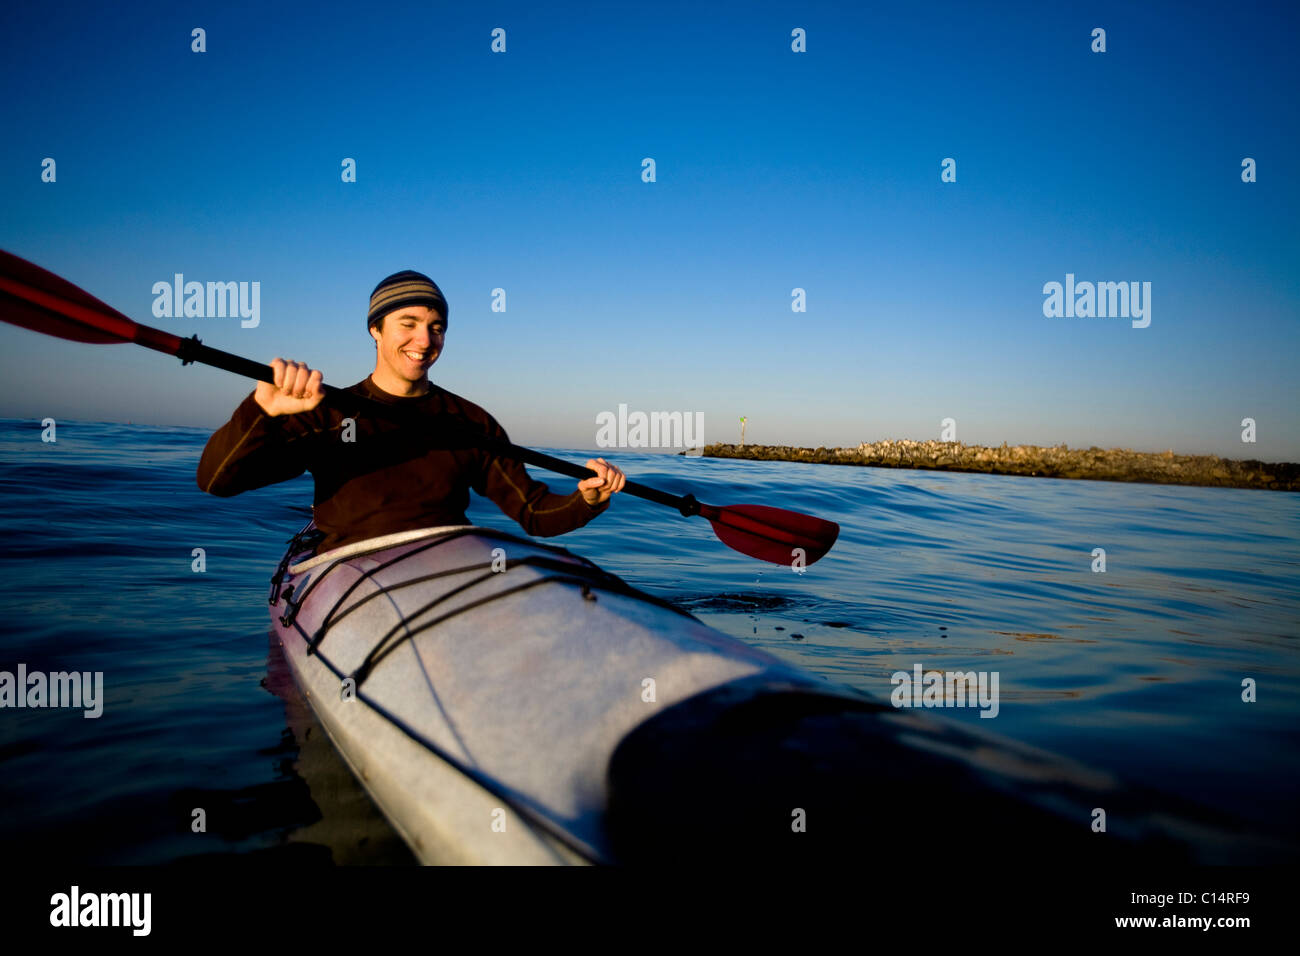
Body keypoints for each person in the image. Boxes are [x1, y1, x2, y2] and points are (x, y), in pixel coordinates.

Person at [197, 269, 625, 550]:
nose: (424, 340)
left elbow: (533, 514)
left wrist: (586, 499)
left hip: (450, 563)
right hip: (347, 570)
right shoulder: (325, 413)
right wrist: (260, 411)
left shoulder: (471, 422)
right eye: (408, 324)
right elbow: (217, 481)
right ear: (375, 330)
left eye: (436, 328)